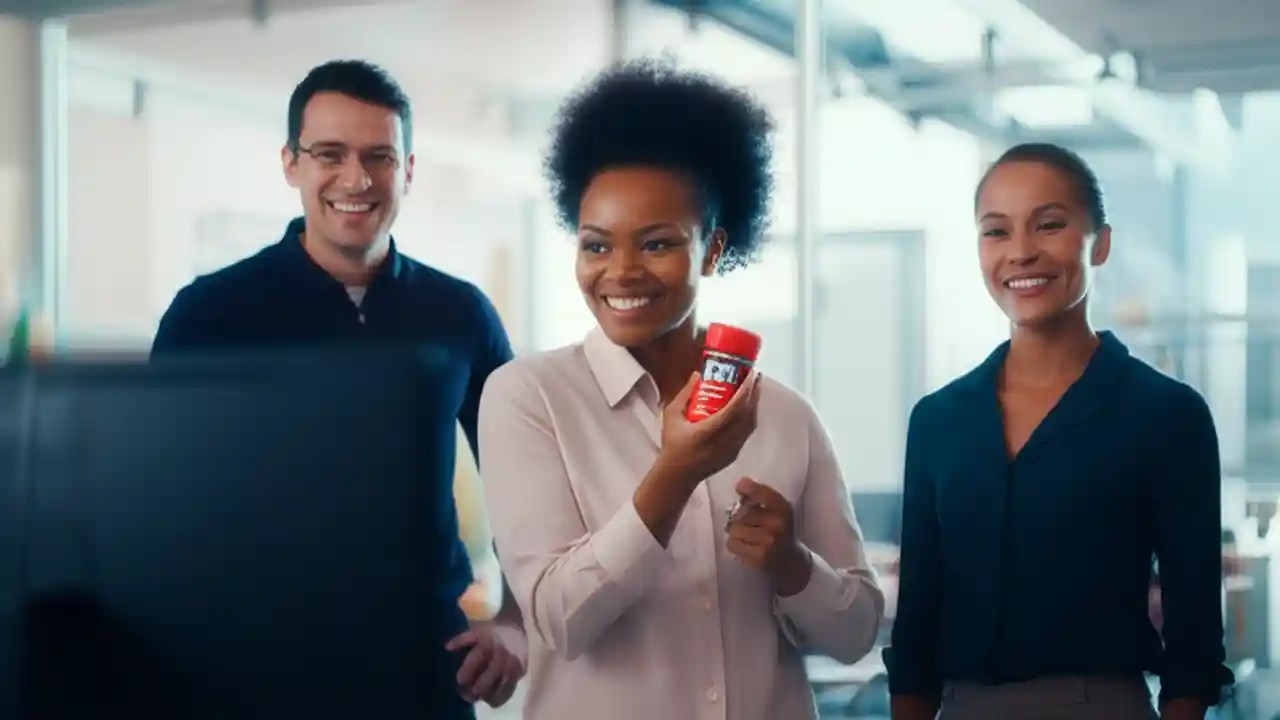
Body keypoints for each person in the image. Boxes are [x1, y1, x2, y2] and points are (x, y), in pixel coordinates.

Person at [477, 60, 885, 720]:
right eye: (596, 246)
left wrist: (791, 564)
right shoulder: (528, 397)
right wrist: (674, 475)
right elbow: (558, 619)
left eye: (657, 243)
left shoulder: (784, 415)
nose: (621, 271)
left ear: (713, 249)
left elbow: (856, 632)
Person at [150, 60, 525, 716]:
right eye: (331, 154)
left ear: (407, 170)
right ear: (291, 163)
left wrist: (515, 619)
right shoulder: (209, 313)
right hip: (258, 672)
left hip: (425, 670)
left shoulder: (461, 313)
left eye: (379, 156)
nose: (356, 179)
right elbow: (158, 507)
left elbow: (527, 480)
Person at [885, 143, 1233, 720]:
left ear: (1100, 243)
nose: (1021, 252)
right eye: (996, 232)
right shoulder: (938, 420)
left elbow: (1194, 627)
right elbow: (918, 619)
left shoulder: (1166, 415)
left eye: (1048, 225)